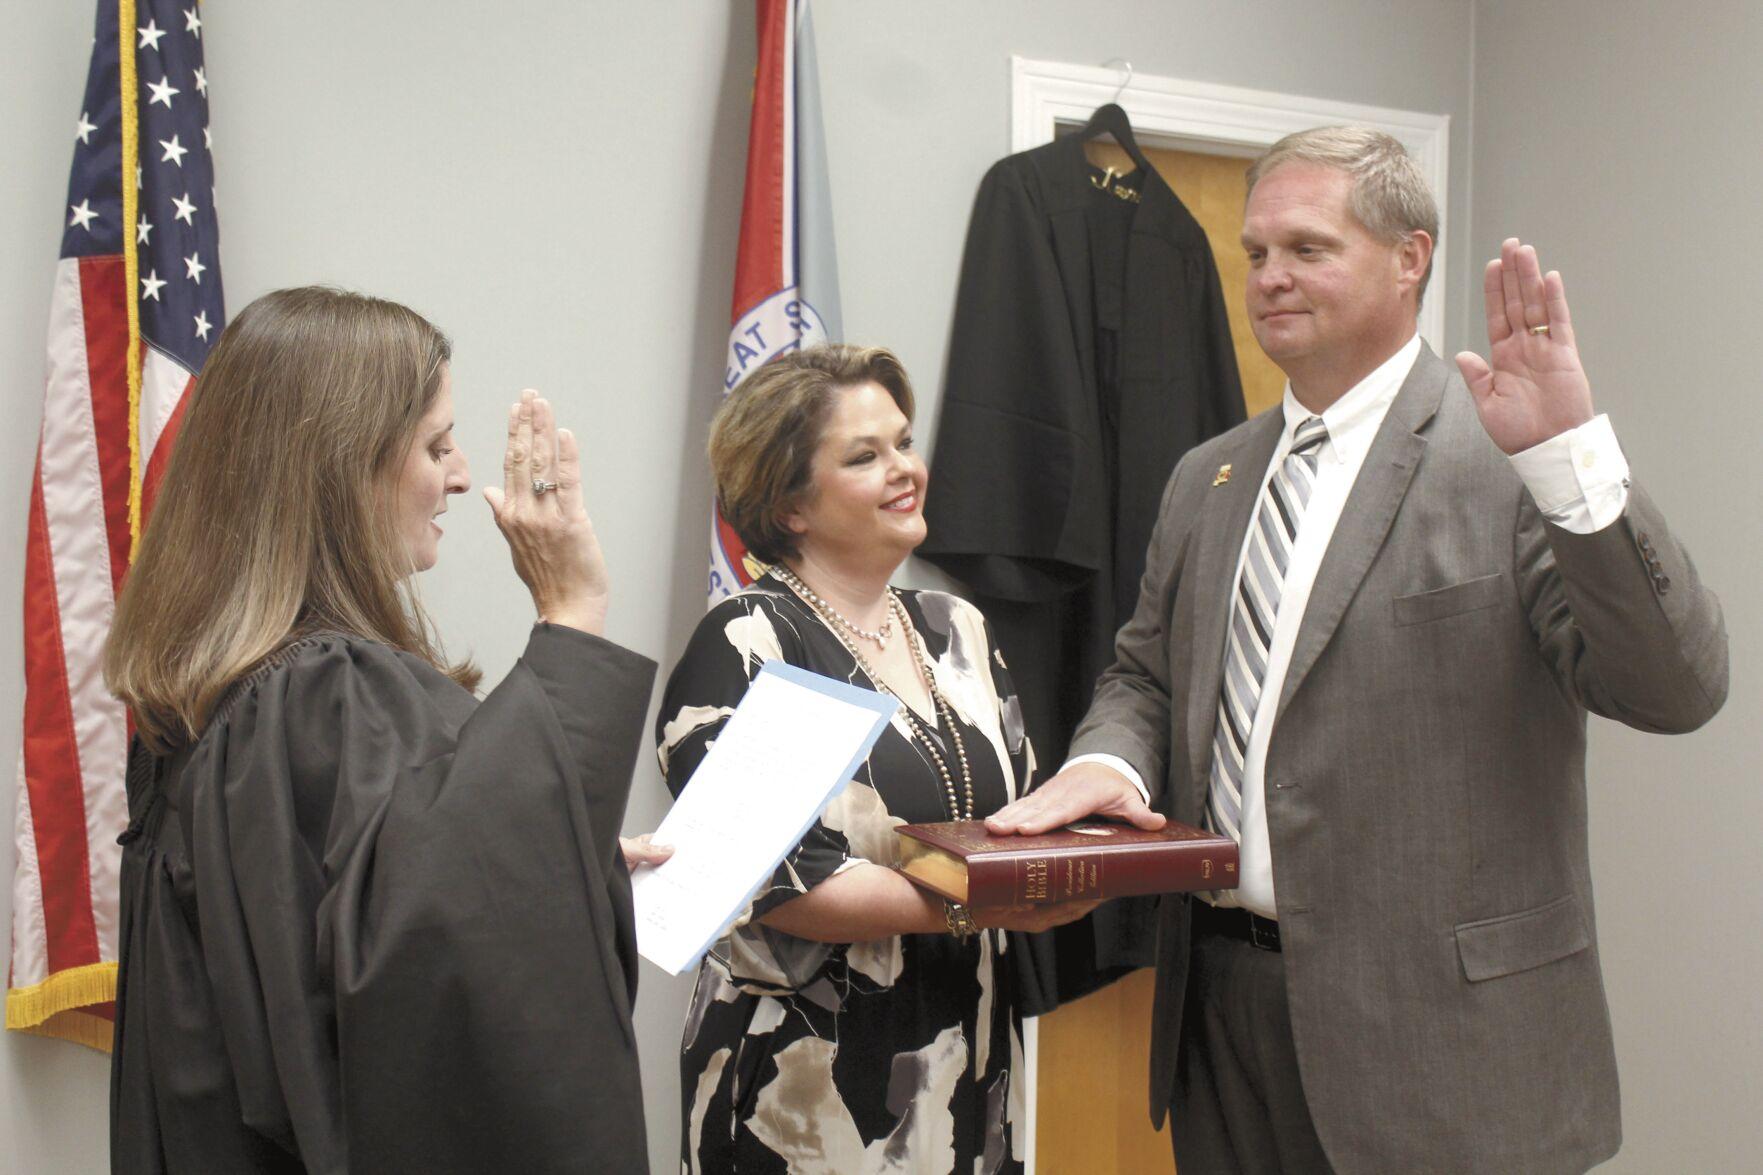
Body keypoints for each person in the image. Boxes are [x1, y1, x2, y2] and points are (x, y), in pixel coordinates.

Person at [986, 127, 1728, 1173]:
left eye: (1306, 248)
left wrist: (1569, 457)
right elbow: (1143, 672)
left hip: (1443, 1050)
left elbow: (1677, 686)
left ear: (1408, 256)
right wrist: (1103, 764)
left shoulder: (1510, 460)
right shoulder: (1208, 476)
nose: (1269, 278)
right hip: (1219, 1013)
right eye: (1254, 254)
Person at [104, 287, 667, 1174]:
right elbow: (436, 959)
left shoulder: (218, 694)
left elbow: (360, 888)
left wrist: (562, 854)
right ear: (341, 463)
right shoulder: (321, 691)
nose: (457, 473)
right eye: (436, 444)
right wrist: (571, 611)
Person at [655, 345, 1097, 1173]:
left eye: (902, 442)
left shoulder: (953, 626)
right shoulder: (752, 640)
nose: (904, 470)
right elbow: (788, 887)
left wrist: (1080, 859)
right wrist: (991, 905)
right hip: (807, 1088)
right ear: (790, 504)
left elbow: (1017, 816)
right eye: (865, 456)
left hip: (969, 1057)